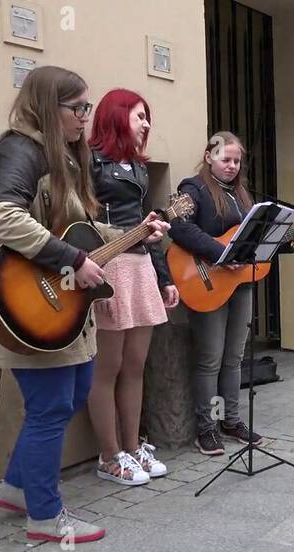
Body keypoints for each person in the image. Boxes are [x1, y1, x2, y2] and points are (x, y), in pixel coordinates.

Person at [0, 66, 168, 542]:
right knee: (50, 406)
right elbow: (1, 215)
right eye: (78, 108)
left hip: (61, 302)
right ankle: (46, 516)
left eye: (88, 108)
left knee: (76, 386)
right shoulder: (20, 148)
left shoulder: (66, 156)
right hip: (27, 302)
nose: (85, 116)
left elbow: (81, 229)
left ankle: (16, 487)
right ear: (50, 107)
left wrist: (135, 233)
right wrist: (73, 259)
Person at [169, 132, 294, 456]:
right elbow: (179, 227)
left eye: (236, 161)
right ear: (209, 157)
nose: (232, 166)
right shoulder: (193, 189)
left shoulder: (242, 196)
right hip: (205, 281)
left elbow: (257, 243)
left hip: (240, 284)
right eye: (225, 159)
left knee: (234, 358)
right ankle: (207, 428)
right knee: (210, 359)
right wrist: (222, 253)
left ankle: (230, 420)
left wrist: (291, 243)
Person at [86, 89, 179, 486]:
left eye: (148, 117)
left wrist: (165, 278)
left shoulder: (139, 167)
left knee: (136, 365)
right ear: (117, 114)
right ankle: (109, 456)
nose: (146, 123)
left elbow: (146, 226)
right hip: (107, 266)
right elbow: (77, 219)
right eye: (140, 115)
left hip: (141, 264)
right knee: (106, 367)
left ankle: (132, 444)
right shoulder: (89, 161)